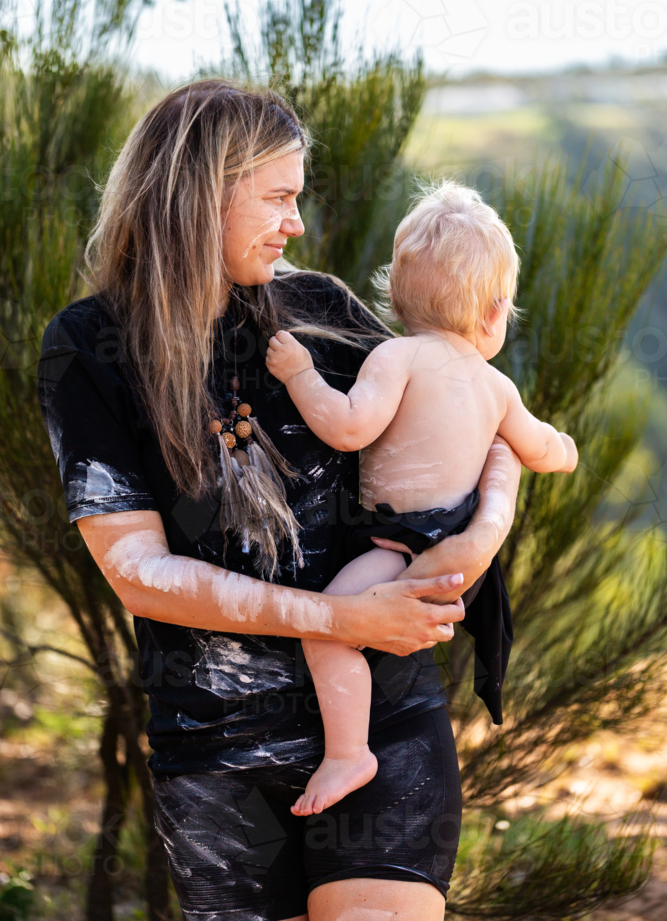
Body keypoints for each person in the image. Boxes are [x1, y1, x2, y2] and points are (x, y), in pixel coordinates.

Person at [37, 80, 522, 921]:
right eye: (278, 198)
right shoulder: (89, 347)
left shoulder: (322, 311)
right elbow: (139, 573)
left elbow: (487, 426)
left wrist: (482, 538)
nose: (296, 224)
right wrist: (337, 621)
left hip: (382, 719)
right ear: (200, 194)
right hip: (216, 746)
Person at [266, 180, 578, 817]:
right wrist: (567, 450)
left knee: (328, 630)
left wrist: (301, 374)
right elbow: (541, 450)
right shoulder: (497, 388)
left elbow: (348, 426)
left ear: (397, 295)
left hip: (402, 545)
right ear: (495, 313)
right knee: (379, 638)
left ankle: (350, 752)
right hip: (457, 554)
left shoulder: (396, 355)